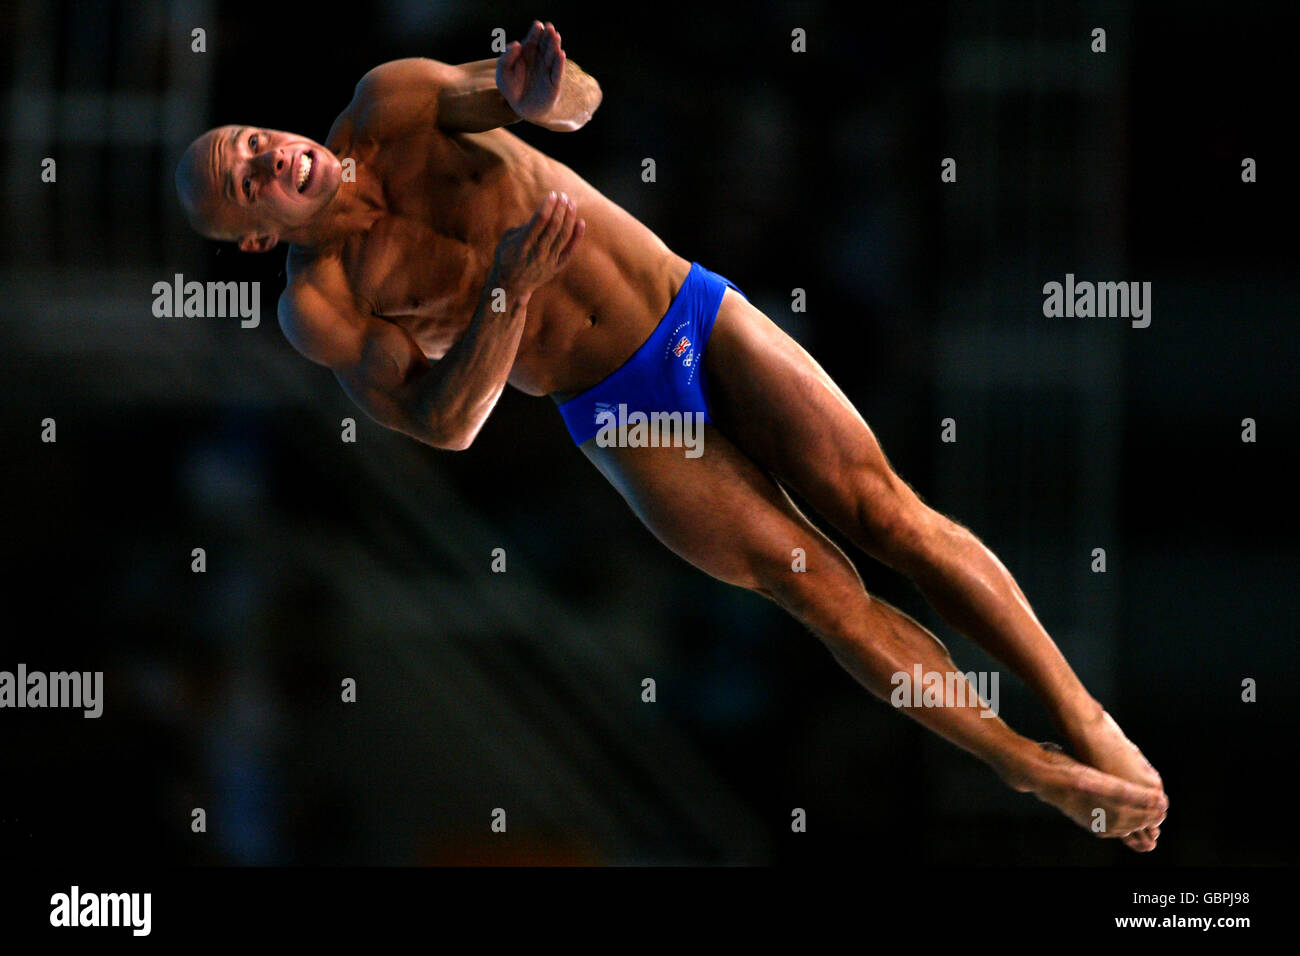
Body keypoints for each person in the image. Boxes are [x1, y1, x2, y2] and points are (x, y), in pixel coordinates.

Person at [176, 20, 1167, 850]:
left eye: (256, 137)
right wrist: (509, 294)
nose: (269, 155)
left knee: (887, 514)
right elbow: (448, 425)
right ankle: (1026, 764)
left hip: (686, 305)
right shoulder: (325, 307)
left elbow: (574, 106)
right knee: (816, 589)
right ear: (256, 238)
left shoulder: (394, 100)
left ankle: (1080, 714)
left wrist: (542, 91)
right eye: (247, 179)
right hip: (614, 409)